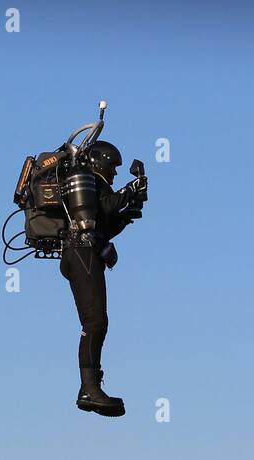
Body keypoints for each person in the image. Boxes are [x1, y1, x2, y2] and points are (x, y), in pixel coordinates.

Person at [59, 140, 146, 417]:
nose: (115, 173)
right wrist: (132, 190)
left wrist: (125, 216)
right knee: (95, 322)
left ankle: (91, 387)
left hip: (83, 252)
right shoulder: (89, 180)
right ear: (99, 163)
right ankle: (89, 389)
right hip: (82, 252)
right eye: (113, 167)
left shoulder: (92, 188)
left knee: (97, 321)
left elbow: (102, 224)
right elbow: (106, 207)